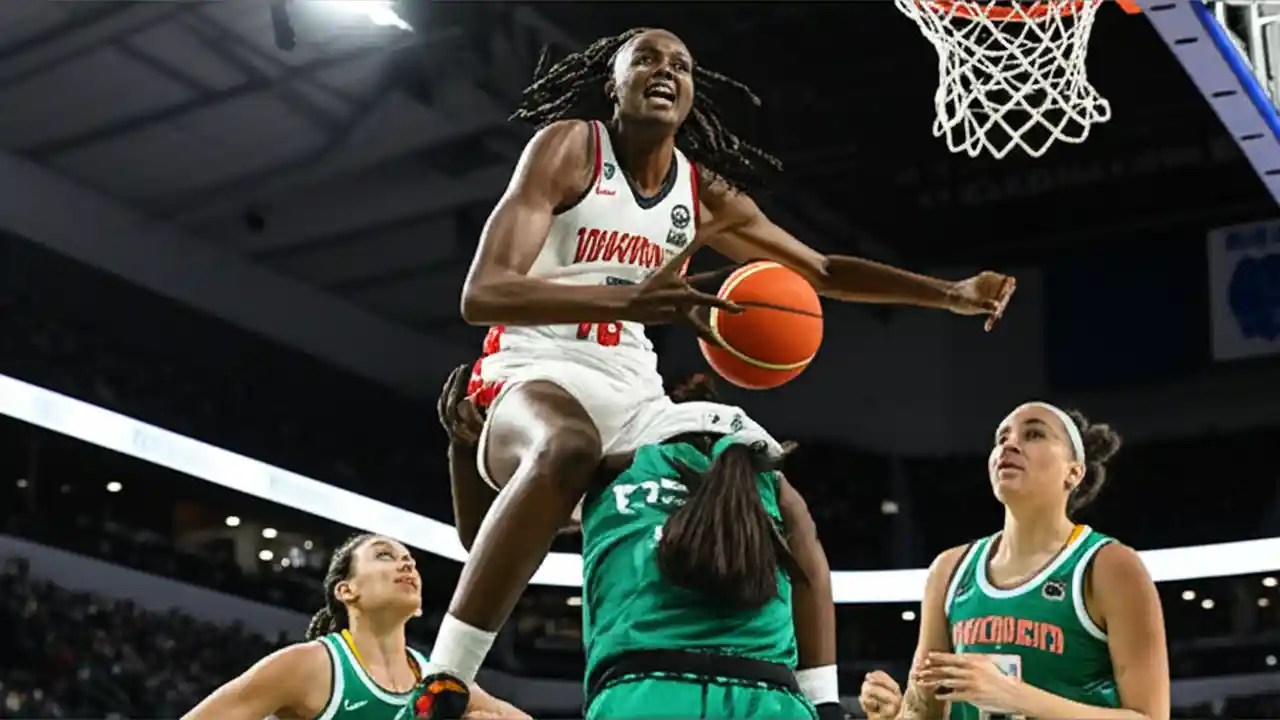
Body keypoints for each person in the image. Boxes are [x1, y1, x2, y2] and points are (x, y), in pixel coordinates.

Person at [428, 25, 1019, 687]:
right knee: (566, 449)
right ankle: (446, 678)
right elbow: (483, 294)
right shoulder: (571, 148)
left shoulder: (703, 192)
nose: (665, 70)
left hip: (633, 388)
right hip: (531, 363)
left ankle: (818, 699)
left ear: (689, 94)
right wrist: (624, 303)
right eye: (646, 59)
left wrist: (950, 293)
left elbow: (820, 269)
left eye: (680, 64)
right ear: (611, 84)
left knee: (770, 490)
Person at [435, 364, 845, 720]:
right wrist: (826, 704)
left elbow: (488, 542)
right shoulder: (771, 486)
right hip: (770, 698)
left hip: (644, 691)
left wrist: (463, 448)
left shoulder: (613, 470)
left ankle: (442, 680)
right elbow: (811, 576)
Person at [856, 403, 1170, 720]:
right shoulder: (950, 569)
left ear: (1074, 471)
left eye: (1033, 434)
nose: (1009, 444)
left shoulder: (1109, 565)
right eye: (1001, 438)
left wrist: (1015, 695)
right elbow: (923, 711)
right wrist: (893, 716)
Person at [182, 534, 526, 720]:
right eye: (384, 555)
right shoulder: (309, 666)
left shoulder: (438, 678)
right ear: (347, 590)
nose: (406, 562)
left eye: (411, 561)